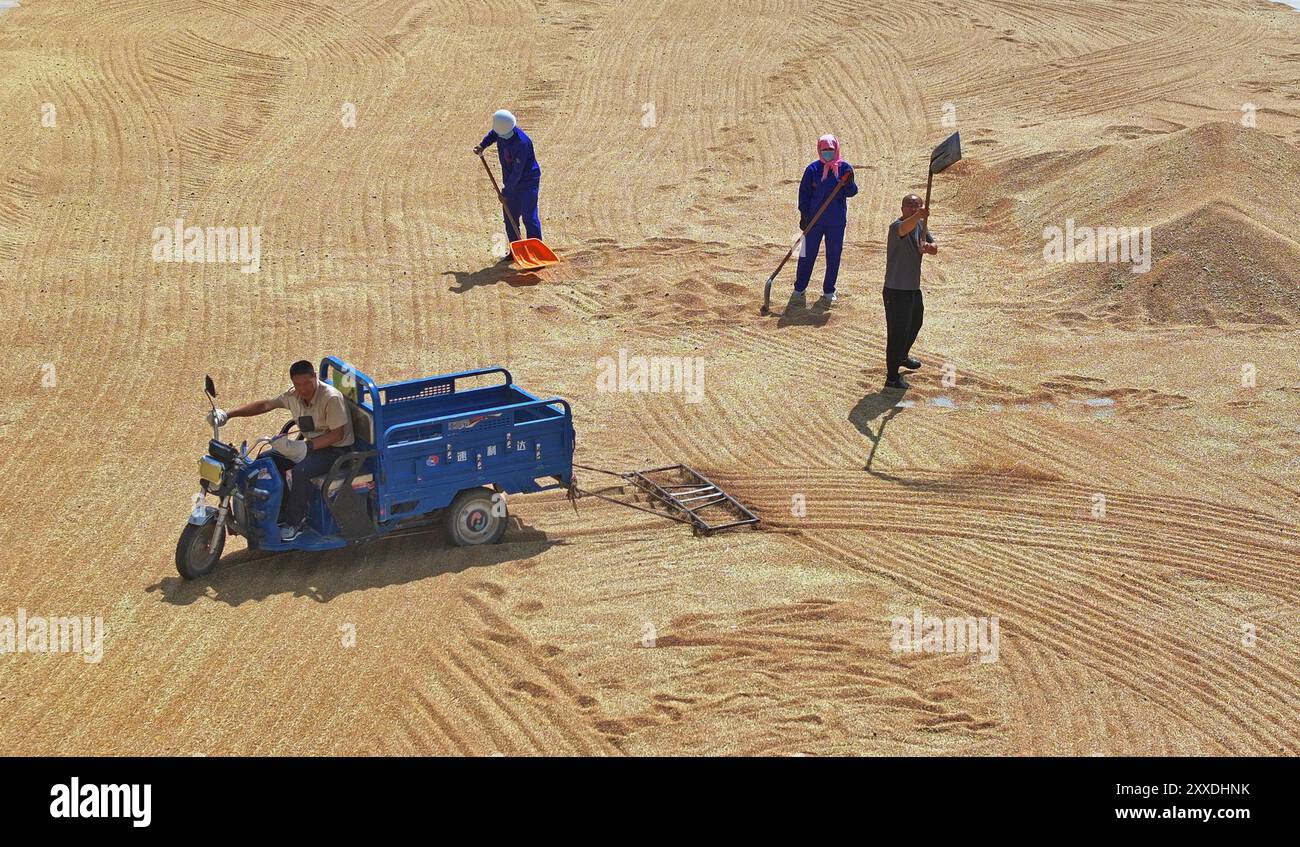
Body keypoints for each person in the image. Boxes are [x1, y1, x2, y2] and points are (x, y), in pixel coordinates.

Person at [206, 360, 355, 541]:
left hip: (337, 451)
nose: (303, 389)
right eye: (298, 385)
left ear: (315, 377)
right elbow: (266, 405)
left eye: (307, 383)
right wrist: (228, 415)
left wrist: (305, 446)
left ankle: (295, 522)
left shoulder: (331, 398)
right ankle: (280, 509)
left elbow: (337, 435)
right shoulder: (293, 396)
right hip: (312, 447)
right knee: (267, 459)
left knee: (301, 471)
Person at [882, 193, 937, 389]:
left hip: (913, 287)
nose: (912, 209)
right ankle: (892, 377)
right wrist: (919, 215)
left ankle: (901, 356)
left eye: (917, 206)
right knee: (896, 332)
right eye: (909, 206)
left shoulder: (921, 226)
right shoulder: (897, 226)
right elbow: (905, 228)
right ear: (902, 208)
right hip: (896, 289)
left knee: (915, 322)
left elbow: (934, 246)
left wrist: (929, 248)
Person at [794, 134, 857, 303]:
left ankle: (829, 290)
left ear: (836, 149)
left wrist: (848, 183)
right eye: (824, 150)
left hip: (836, 222)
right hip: (814, 221)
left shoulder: (845, 169)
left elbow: (852, 192)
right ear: (819, 150)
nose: (828, 152)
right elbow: (804, 194)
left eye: (830, 149)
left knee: (834, 255)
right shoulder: (812, 170)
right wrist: (804, 216)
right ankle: (799, 287)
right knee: (806, 254)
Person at [474, 109, 543, 245]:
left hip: (528, 182)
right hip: (511, 182)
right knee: (510, 215)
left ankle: (536, 247)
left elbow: (517, 172)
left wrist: (506, 192)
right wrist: (482, 145)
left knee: (529, 217)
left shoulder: (522, 143)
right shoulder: (501, 131)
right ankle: (516, 248)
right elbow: (493, 134)